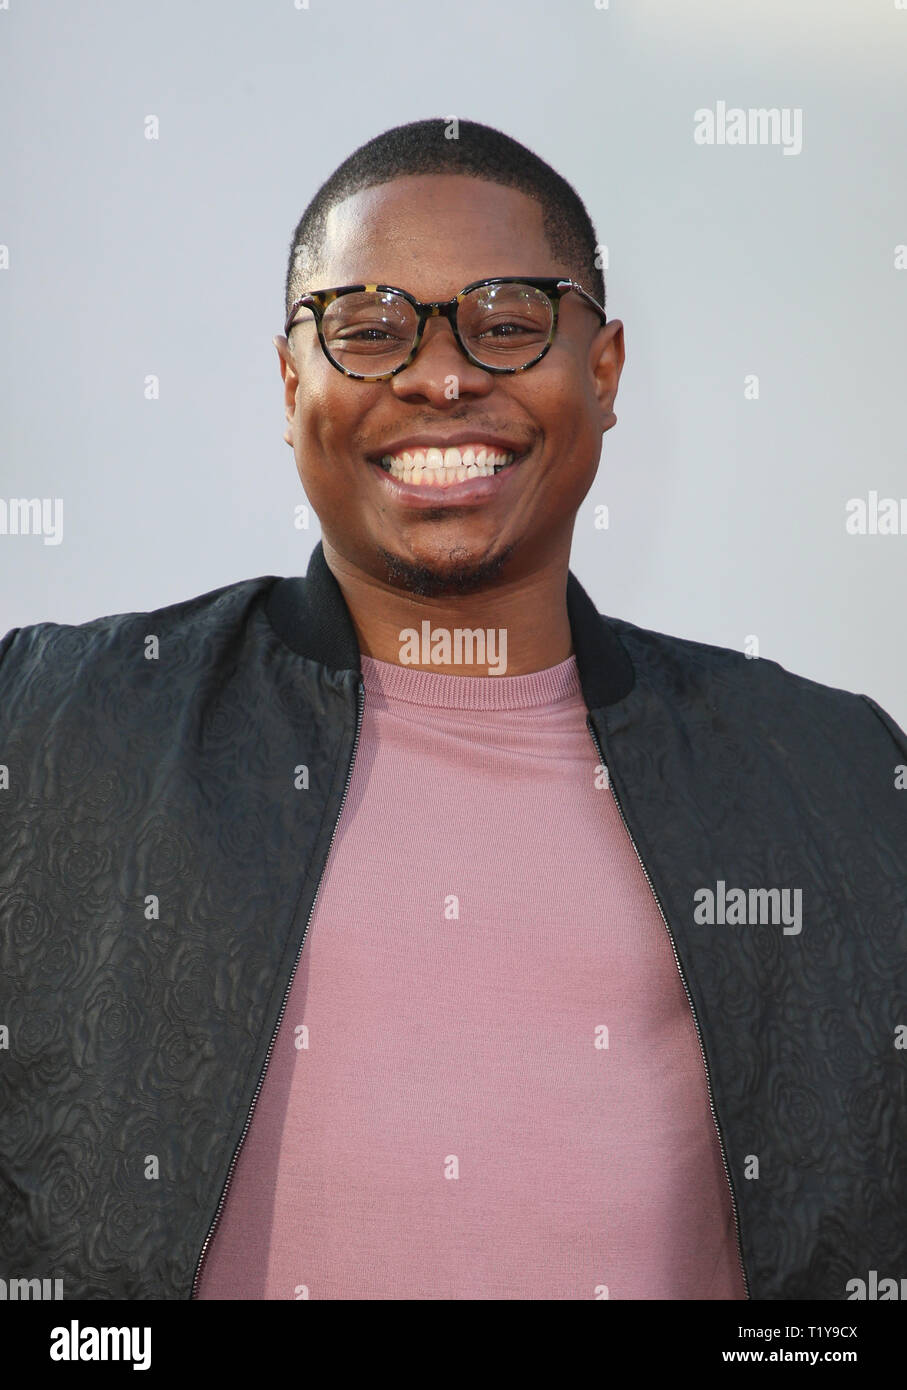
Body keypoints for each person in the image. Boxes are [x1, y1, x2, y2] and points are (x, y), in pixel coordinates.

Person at [0, 117, 904, 1302]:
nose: (441, 374)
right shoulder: (57, 730)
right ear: (290, 383)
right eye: (369, 330)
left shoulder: (832, 775)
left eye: (509, 320)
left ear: (605, 370)